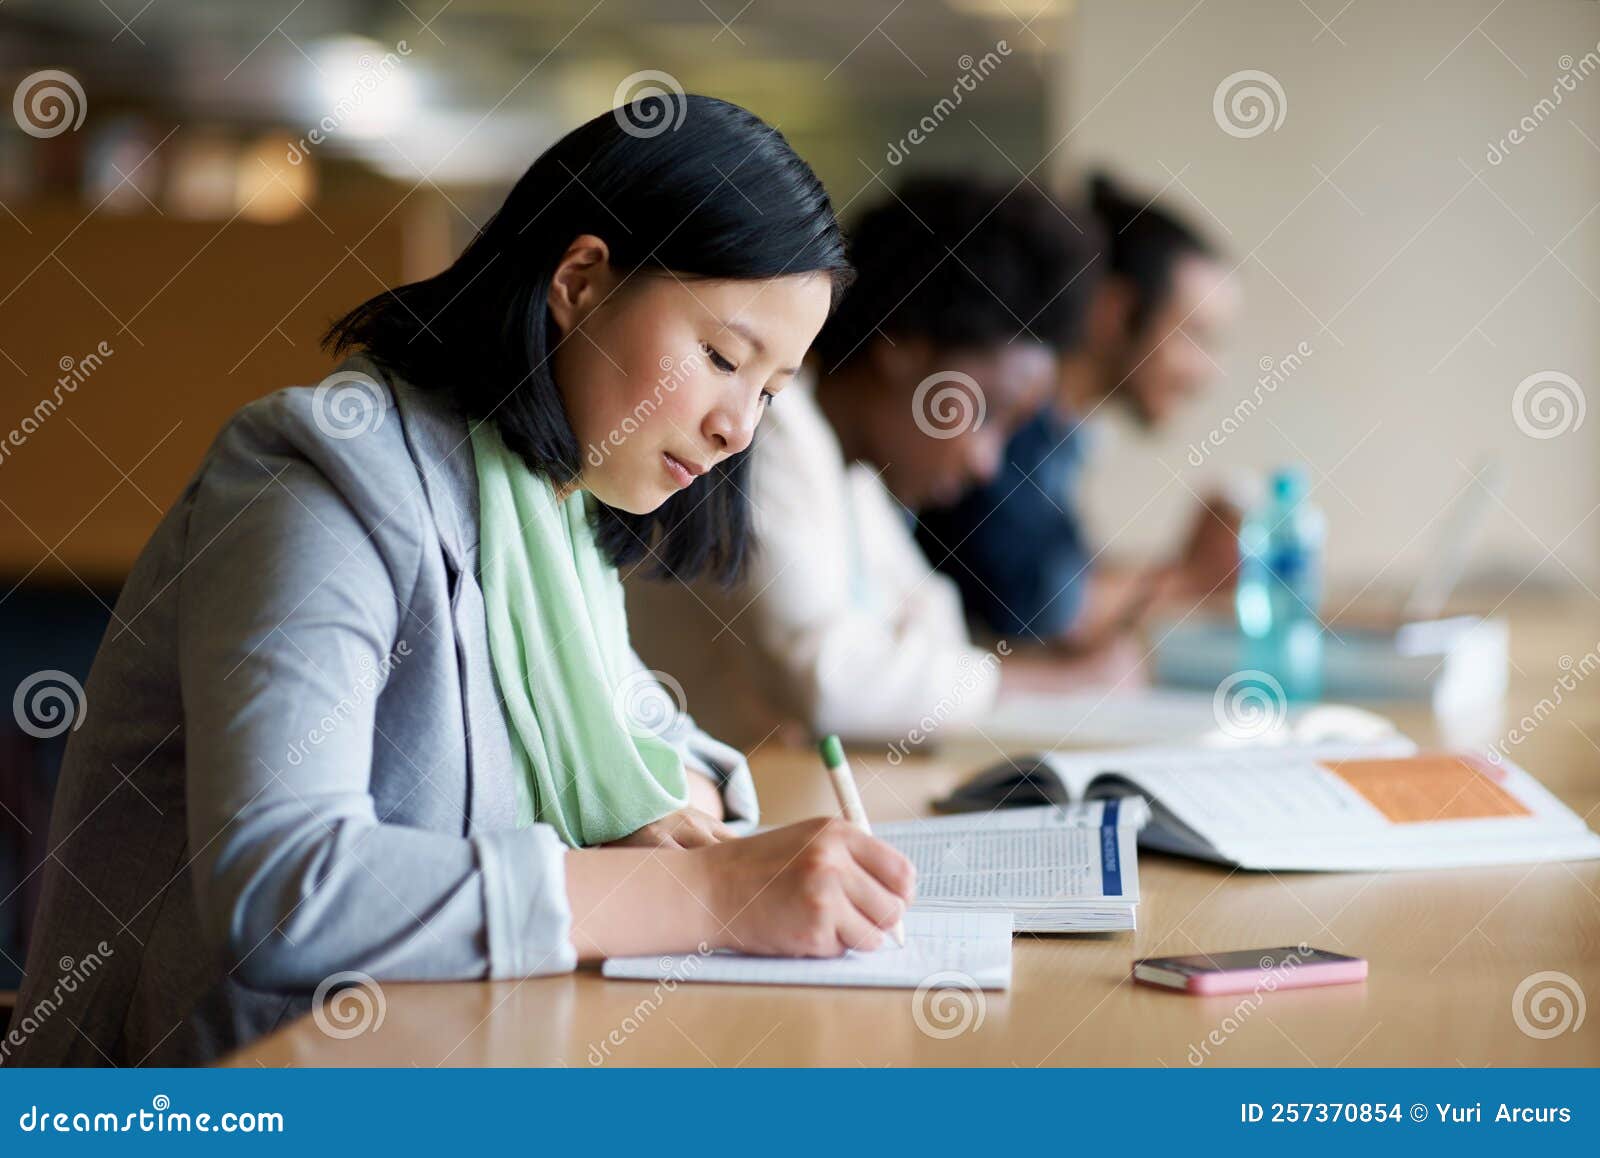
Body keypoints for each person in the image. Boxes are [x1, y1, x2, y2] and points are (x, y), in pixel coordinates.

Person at [4, 95, 916, 1067]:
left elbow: (652, 750)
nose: (740, 426)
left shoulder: (551, 519)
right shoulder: (319, 479)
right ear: (580, 280)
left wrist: (679, 832)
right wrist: (709, 892)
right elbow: (282, 888)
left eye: (770, 391)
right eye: (721, 357)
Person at [626, 175, 1113, 750]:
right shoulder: (767, 436)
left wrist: (932, 669)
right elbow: (830, 682)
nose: (987, 463)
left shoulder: (853, 474)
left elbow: (937, 627)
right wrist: (1047, 681)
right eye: (987, 412)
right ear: (903, 349)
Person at [916, 171, 1243, 653]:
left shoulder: (1062, 434)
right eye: (1194, 336)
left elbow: (1069, 575)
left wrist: (1189, 570)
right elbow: (1038, 615)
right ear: (1114, 310)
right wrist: (1193, 573)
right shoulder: (1008, 424)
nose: (1207, 372)